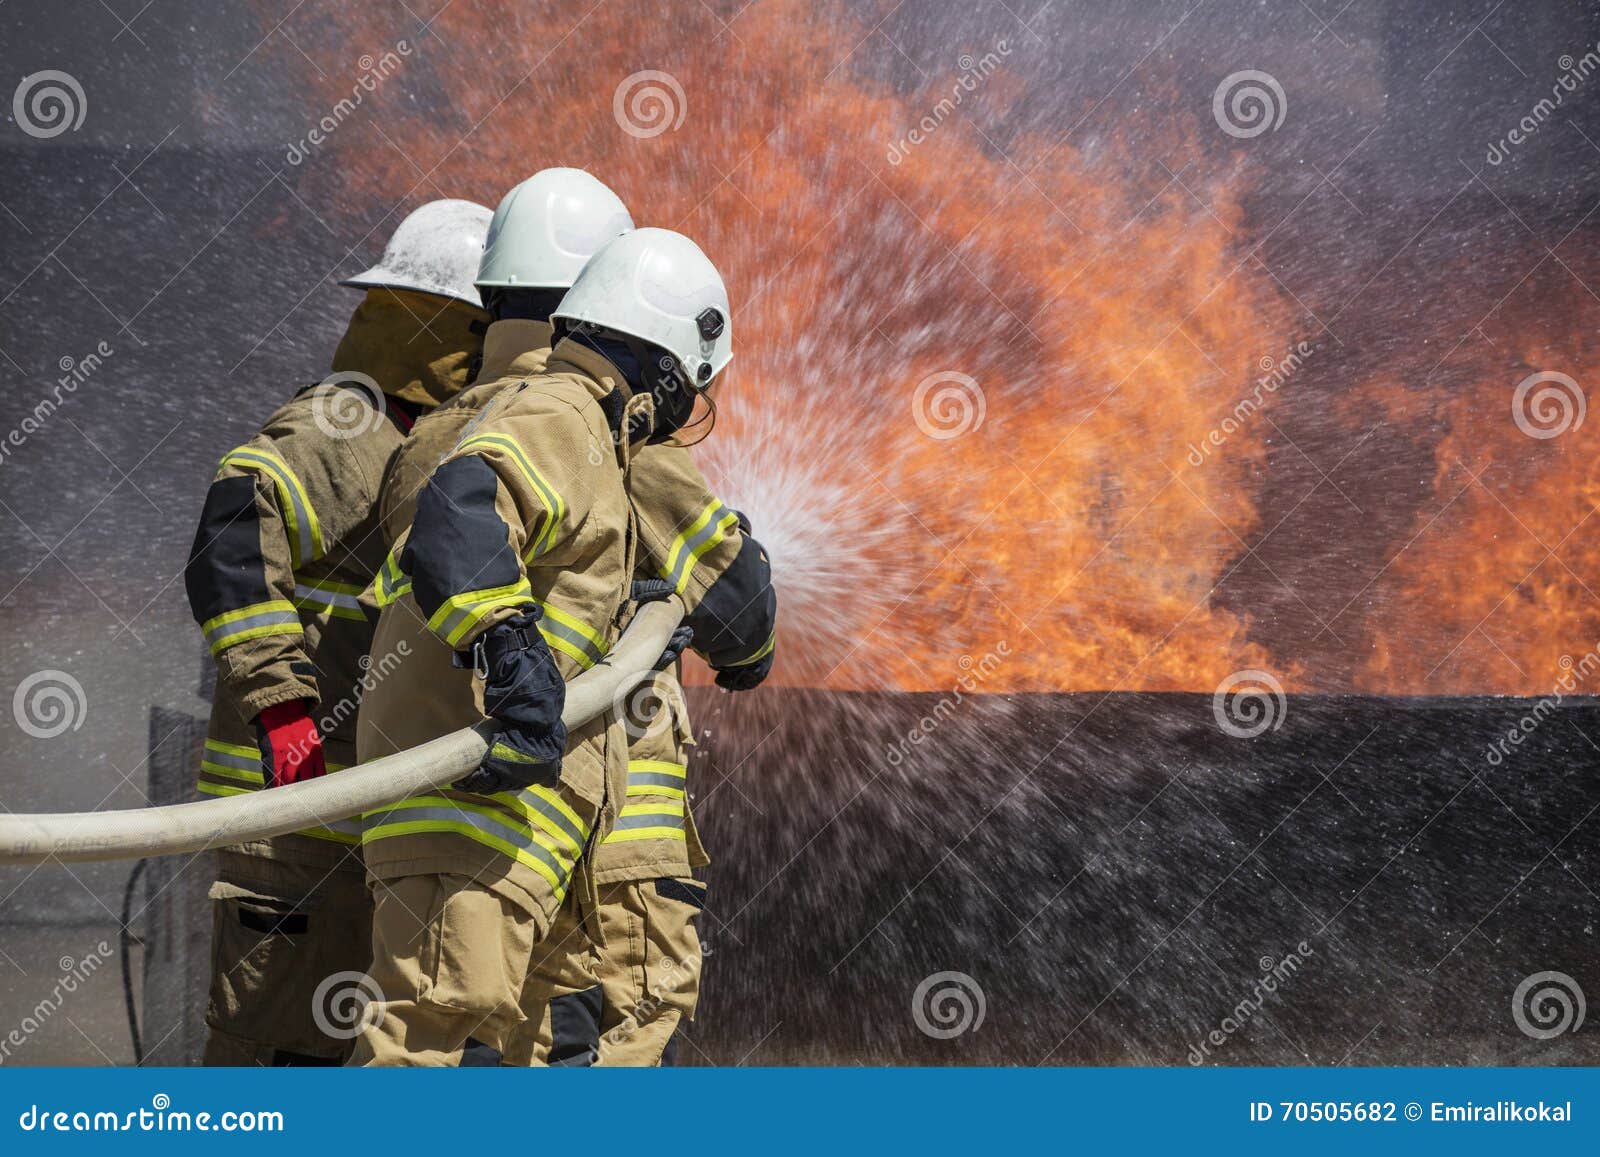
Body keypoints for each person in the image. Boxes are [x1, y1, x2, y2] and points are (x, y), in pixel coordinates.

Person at [350, 186, 734, 1065]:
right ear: (669, 365)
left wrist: (629, 619)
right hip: (474, 804)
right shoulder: (562, 413)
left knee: (502, 1052)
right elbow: (464, 513)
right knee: (423, 1045)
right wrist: (515, 663)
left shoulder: (561, 425)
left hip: (523, 818)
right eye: (690, 387)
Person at [182, 198, 492, 1065]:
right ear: (446, 329)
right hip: (294, 833)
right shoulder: (347, 423)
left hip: (353, 829)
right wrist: (283, 706)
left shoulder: (413, 441)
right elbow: (234, 526)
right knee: (280, 1073)